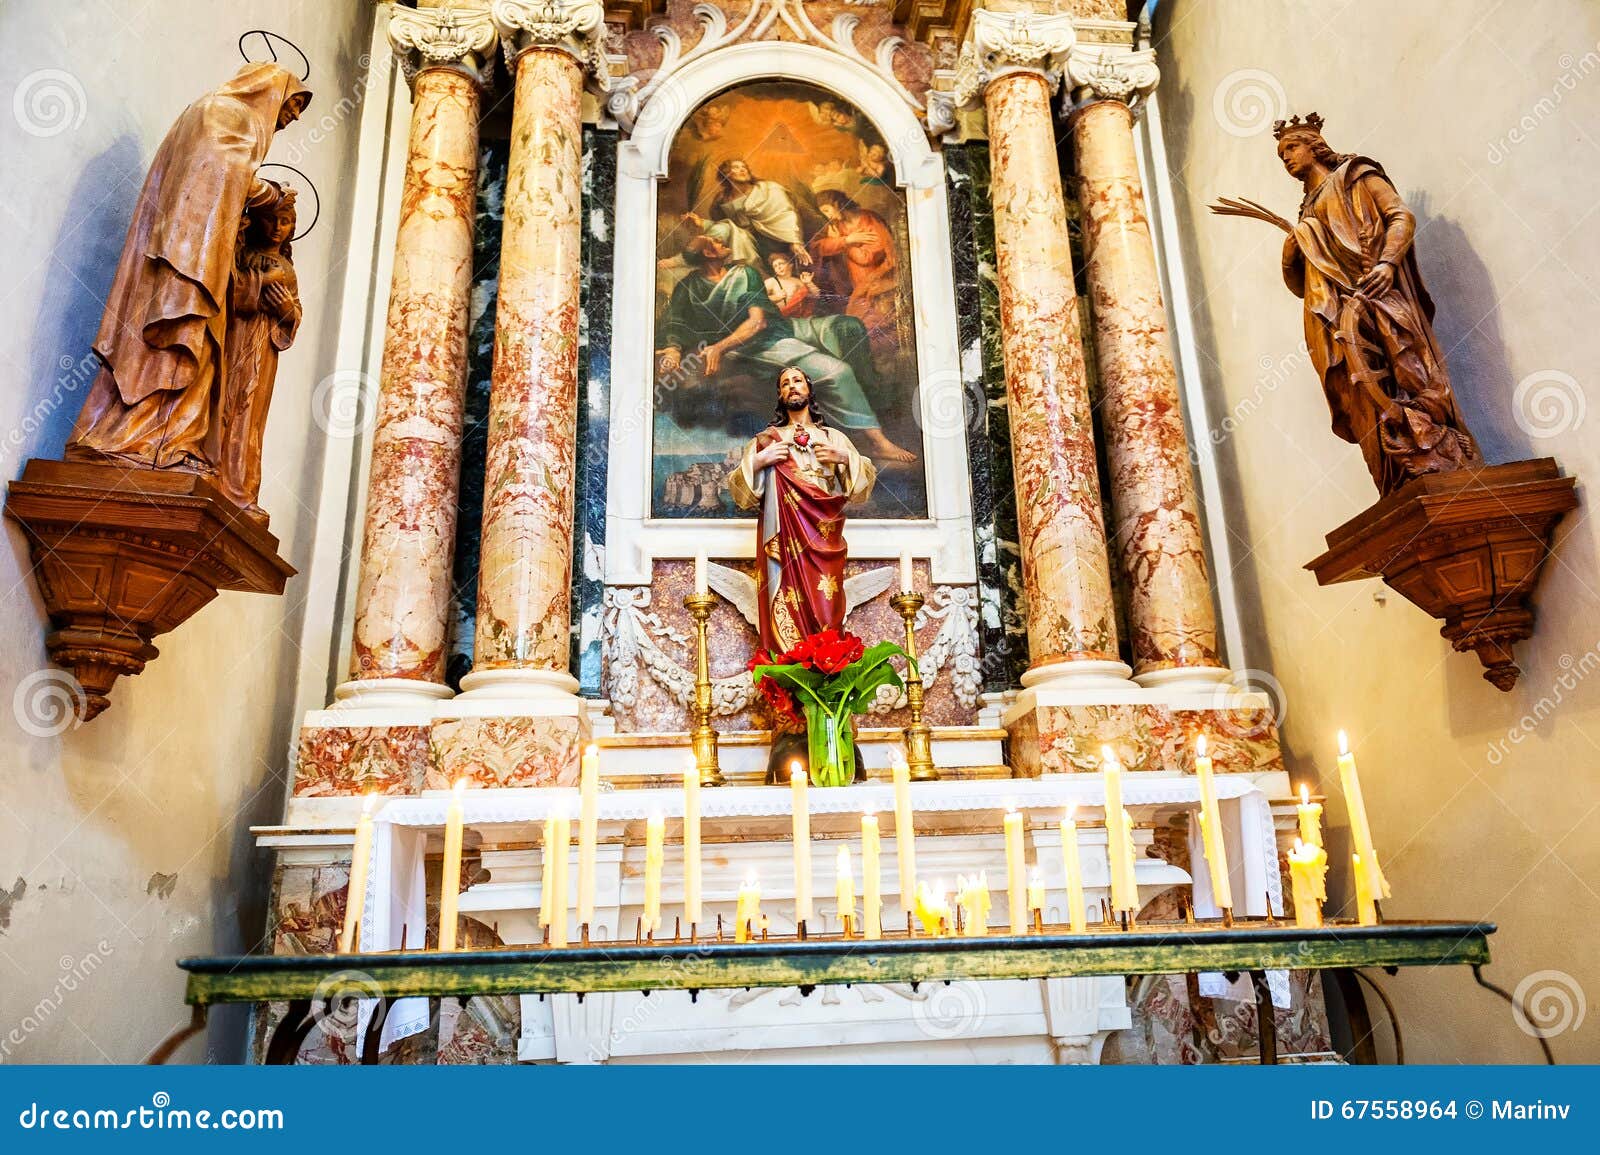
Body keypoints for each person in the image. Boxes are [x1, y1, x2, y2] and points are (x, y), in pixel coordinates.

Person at [66, 63, 311, 472]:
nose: (295, 116)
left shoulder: (224, 116)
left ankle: (173, 442)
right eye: (292, 104)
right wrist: (268, 194)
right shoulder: (224, 112)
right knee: (180, 337)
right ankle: (144, 441)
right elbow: (222, 170)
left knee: (199, 346)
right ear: (268, 89)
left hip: (203, 255)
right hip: (186, 256)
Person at [1275, 113, 1480, 494]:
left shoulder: (1355, 176)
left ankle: (1437, 452)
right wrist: (1291, 253)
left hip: (1379, 297)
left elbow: (1400, 216)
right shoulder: (1305, 213)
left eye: (1291, 147)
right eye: (1281, 154)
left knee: (1410, 374)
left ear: (1314, 146)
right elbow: (1301, 286)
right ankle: (1393, 478)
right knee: (1359, 393)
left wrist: (1387, 263)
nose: (1286, 157)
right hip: (1336, 320)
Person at [655, 234, 915, 465]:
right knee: (838, 372)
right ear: (707, 253)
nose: (721, 241)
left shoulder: (744, 273)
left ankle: (872, 402)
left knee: (847, 326)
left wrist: (718, 348)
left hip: (778, 328)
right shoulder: (688, 287)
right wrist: (674, 349)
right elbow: (676, 322)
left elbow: (758, 321)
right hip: (755, 345)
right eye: (714, 242)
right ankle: (878, 442)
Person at [726, 367, 875, 654]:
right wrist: (760, 461)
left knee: (827, 604)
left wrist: (845, 457)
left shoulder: (833, 437)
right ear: (780, 395)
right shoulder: (766, 441)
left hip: (824, 535)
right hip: (784, 535)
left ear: (809, 389)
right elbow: (741, 494)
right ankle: (791, 660)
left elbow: (860, 490)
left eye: (797, 381)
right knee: (786, 593)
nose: (792, 386)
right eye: (785, 383)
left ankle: (827, 659)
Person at [216, 183, 301, 520]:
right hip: (234, 340)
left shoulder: (287, 268)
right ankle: (217, 476)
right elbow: (229, 292)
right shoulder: (241, 255)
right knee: (226, 403)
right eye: (271, 219)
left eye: (285, 221)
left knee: (250, 418)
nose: (278, 228)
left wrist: (287, 312)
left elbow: (294, 311)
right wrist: (260, 283)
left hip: (264, 351)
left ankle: (241, 488)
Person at [808, 189, 902, 376]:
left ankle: (880, 373)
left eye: (827, 210)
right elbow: (816, 247)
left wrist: (845, 245)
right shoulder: (838, 227)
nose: (827, 216)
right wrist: (847, 240)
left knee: (873, 330)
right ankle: (865, 373)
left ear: (836, 204)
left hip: (877, 284)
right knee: (855, 328)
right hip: (855, 286)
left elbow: (868, 257)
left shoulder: (869, 220)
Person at [763, 252, 819, 318]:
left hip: (796, 317)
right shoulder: (772, 281)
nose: (779, 267)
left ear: (790, 265)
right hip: (779, 317)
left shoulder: (797, 281)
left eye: (781, 264)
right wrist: (775, 297)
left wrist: (809, 283)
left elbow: (816, 295)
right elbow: (757, 298)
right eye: (775, 266)